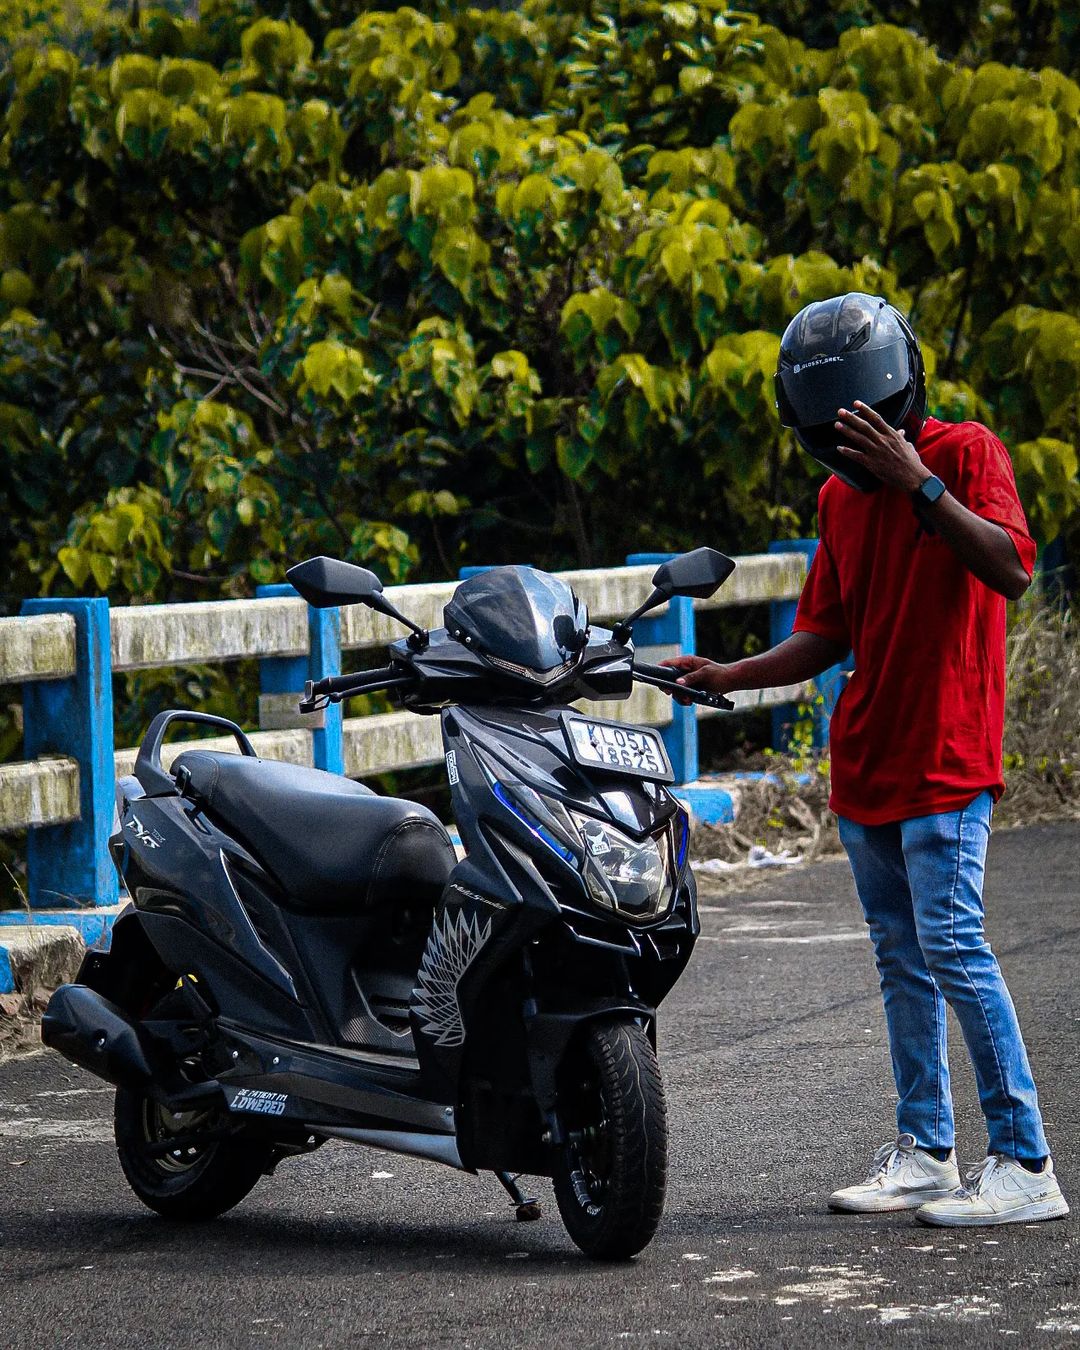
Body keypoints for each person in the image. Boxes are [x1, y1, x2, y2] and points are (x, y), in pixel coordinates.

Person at [664, 292, 1069, 1228]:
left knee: (955, 949)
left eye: (865, 428)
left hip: (946, 755)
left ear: (899, 401)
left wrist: (919, 481)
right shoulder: (837, 497)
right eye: (832, 435)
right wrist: (730, 671)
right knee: (901, 962)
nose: (852, 449)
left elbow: (1011, 567)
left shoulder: (967, 453)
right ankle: (927, 1149)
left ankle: (1027, 1161)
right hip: (868, 762)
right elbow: (824, 631)